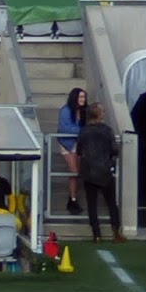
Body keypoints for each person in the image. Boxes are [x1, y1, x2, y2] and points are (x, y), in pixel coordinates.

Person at [75, 101, 124, 243]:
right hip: (104, 170)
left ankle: (96, 234)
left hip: (89, 170)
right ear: (99, 114)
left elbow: (79, 150)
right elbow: (114, 150)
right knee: (111, 203)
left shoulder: (84, 130)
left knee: (92, 203)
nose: (104, 113)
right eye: (102, 111)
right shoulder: (107, 130)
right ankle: (116, 232)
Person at [57, 86, 85, 214]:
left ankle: (72, 197)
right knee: (74, 171)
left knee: (78, 171)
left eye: (84, 97)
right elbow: (65, 128)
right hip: (67, 143)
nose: (83, 99)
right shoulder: (65, 110)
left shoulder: (85, 110)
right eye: (80, 97)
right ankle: (72, 199)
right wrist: (82, 131)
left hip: (79, 143)